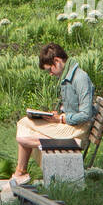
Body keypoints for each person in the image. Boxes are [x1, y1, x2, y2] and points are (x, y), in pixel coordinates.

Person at [9, 44, 95, 185]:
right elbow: (73, 108)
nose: (50, 73)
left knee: (24, 137)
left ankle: (22, 172)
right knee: (24, 122)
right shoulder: (68, 75)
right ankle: (20, 173)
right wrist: (57, 115)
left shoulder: (80, 78)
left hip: (76, 131)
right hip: (69, 124)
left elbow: (86, 114)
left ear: (57, 61)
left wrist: (61, 118)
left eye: (50, 69)